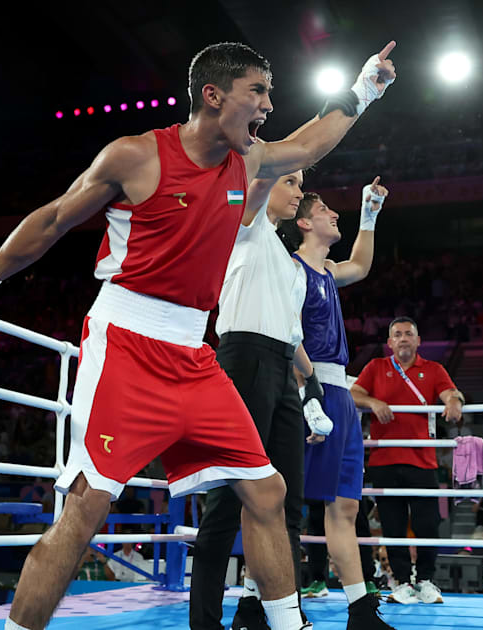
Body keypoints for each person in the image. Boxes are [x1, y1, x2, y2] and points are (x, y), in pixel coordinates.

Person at [0, 40, 398, 630]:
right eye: (258, 91)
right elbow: (54, 218)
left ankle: (288, 624)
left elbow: (310, 142)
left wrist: (365, 88)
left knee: (267, 491)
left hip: (194, 353)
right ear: (213, 95)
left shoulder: (247, 161)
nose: (269, 106)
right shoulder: (136, 156)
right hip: (126, 340)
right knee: (86, 509)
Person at [189, 167, 333, 630]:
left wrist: (311, 385)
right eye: (290, 181)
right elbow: (251, 186)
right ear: (266, 182)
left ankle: (278, 615)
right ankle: (205, 622)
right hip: (243, 359)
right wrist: (269, 165)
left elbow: (292, 333)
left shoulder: (287, 262)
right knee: (228, 500)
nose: (298, 191)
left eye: (299, 183)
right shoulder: (244, 224)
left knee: (287, 501)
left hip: (282, 369)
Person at [280, 173, 397, 621]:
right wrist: (306, 394)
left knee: (346, 504)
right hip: (310, 389)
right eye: (324, 210)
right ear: (305, 223)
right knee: (283, 502)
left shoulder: (328, 270)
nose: (333, 213)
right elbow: (288, 337)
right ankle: (264, 600)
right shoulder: (291, 270)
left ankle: (360, 609)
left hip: (341, 393)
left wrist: (370, 213)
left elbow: (361, 266)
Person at [351, 316, 465, 605]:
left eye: (408, 334)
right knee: (393, 525)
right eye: (398, 334)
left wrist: (454, 403)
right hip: (384, 460)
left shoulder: (434, 369)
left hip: (422, 460)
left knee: (428, 524)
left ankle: (426, 580)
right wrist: (373, 402)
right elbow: (353, 394)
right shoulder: (376, 367)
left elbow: (451, 393)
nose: (403, 338)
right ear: (390, 342)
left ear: (418, 340)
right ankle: (402, 582)